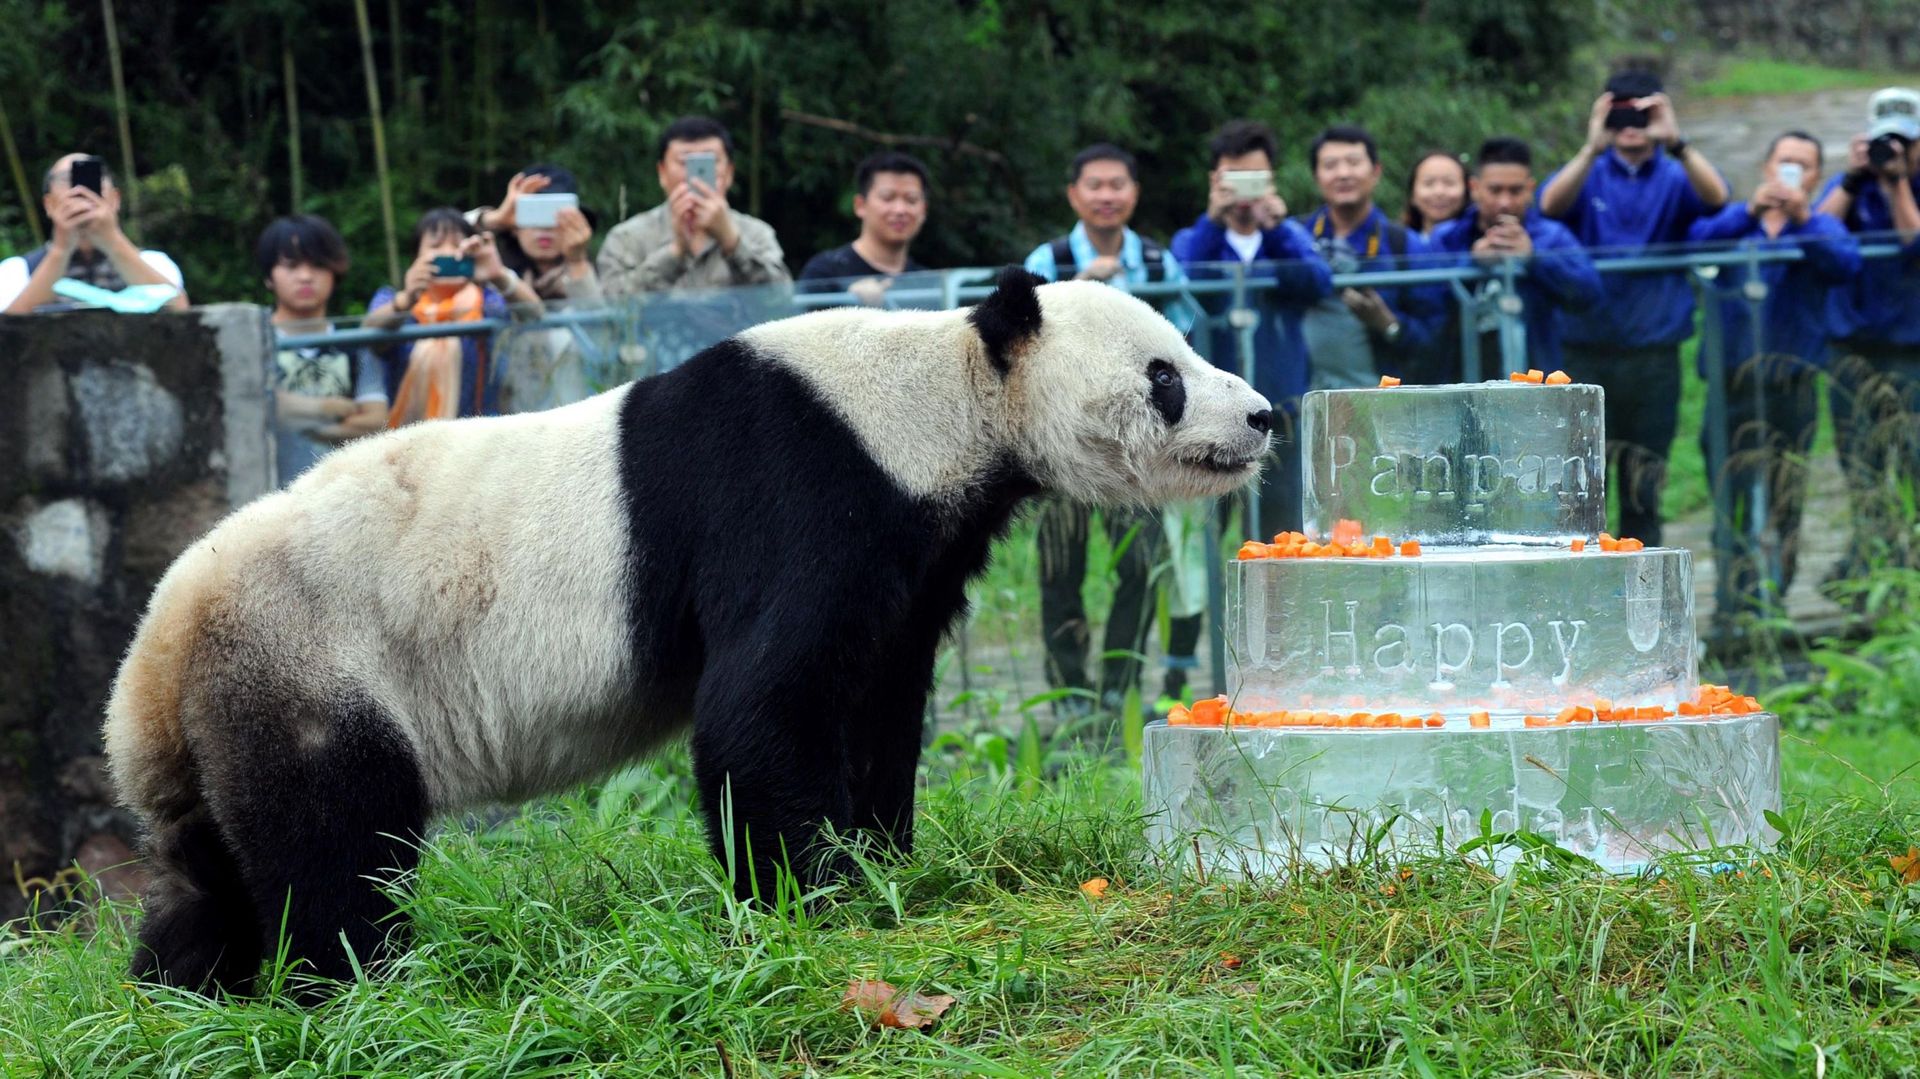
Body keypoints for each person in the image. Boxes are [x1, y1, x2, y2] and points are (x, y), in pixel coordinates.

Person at [1023, 143, 1197, 718]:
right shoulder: (1047, 259)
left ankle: (1119, 690)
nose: (1106, 195)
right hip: (1060, 440)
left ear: (1134, 193)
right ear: (1074, 194)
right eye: (1094, 185)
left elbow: (1188, 322)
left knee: (1141, 567)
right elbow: (1023, 338)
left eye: (1117, 184)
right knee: (1060, 570)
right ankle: (1070, 700)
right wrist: (1080, 285)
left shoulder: (1156, 258)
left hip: (1137, 440)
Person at [1539, 68, 1730, 545]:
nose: (1631, 121)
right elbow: (1549, 208)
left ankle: (1646, 602)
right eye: (1620, 109)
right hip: (1585, 352)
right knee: (1581, 488)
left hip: (1654, 352)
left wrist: (1676, 139)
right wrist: (1591, 146)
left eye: (1642, 111)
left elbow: (1718, 198)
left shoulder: (1673, 173)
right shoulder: (1589, 172)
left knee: (1644, 485)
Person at [1685, 131, 1860, 636]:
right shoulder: (1735, 225)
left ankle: (1775, 599)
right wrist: (1749, 212)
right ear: (1766, 166)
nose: (1791, 174)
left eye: (1803, 166)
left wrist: (1803, 218)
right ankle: (1729, 604)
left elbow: (1844, 263)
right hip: (1730, 385)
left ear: (1814, 176)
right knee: (1728, 496)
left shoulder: (1820, 226)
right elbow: (1693, 247)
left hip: (1792, 384)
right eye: (1784, 162)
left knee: (1787, 498)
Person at [1171, 119, 1332, 539]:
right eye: (1232, 177)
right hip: (1204, 413)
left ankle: (1278, 607)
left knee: (1282, 533)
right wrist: (1212, 219)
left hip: (1282, 410)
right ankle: (1201, 609)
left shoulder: (1289, 237)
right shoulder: (1194, 238)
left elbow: (1319, 284)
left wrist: (1276, 229)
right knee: (1201, 537)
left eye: (1253, 177)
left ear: (1271, 180)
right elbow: (1187, 295)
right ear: (1214, 179)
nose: (1243, 190)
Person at [1816, 87, 1920, 582]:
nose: (1893, 152)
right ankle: (1871, 568)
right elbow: (1814, 231)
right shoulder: (1852, 187)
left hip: (1913, 353)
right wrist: (1856, 178)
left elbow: (1913, 241)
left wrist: (1897, 183)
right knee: (1862, 468)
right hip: (1853, 350)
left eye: (1904, 142)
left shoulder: (1909, 187)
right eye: (1885, 142)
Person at [1429, 137, 1601, 377]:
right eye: (1495, 190)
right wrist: (1471, 263)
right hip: (1462, 379)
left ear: (1530, 189)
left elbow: (1590, 292)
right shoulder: (1447, 237)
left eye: (1515, 190)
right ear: (1475, 188)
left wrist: (1534, 259)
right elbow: (1427, 304)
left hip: (1535, 376)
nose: (1505, 202)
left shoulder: (1552, 236)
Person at [1299, 125, 1449, 388]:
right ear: (1316, 176)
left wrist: (1389, 324)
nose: (1343, 173)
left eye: (1354, 163)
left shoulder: (1404, 244)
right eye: (1331, 165)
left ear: (1375, 172)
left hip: (1379, 398)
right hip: (1300, 399)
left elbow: (1436, 338)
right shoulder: (1295, 238)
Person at [364, 207, 544, 425]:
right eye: (435, 245)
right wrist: (407, 299)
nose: (448, 253)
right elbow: (369, 334)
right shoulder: (393, 299)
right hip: (412, 439)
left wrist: (498, 275)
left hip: (479, 437)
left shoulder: (488, 300)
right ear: (416, 256)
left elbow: (536, 315)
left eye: (457, 244)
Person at [257, 214, 389, 486]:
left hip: (340, 494)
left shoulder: (355, 345)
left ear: (335, 271)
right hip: (265, 496)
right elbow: (257, 407)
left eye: (318, 265)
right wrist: (333, 408)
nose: (305, 276)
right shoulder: (252, 345)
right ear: (268, 276)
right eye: (291, 266)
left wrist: (300, 419)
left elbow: (376, 420)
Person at [596, 116, 790, 294]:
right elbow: (613, 310)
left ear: (729, 172)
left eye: (708, 162)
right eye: (684, 163)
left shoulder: (757, 234)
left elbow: (781, 302)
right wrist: (675, 252)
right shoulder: (627, 238)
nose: (695, 176)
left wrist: (732, 243)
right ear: (662, 173)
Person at [1, 153, 189, 314]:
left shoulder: (155, 262)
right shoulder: (17, 271)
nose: (79, 191)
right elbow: (7, 333)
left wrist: (112, 241)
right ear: (49, 204)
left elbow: (180, 313)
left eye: (91, 180)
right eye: (67, 179)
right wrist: (60, 251)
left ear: (115, 199)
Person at [798, 151, 933, 306]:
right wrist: (850, 304)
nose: (900, 210)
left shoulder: (929, 283)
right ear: (860, 205)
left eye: (911, 200)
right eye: (887, 198)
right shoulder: (825, 273)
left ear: (924, 210)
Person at [471, 163, 602, 302]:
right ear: (514, 227)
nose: (545, 227)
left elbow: (598, 319)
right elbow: (449, 240)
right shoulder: (489, 275)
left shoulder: (600, 275)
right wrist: (494, 219)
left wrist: (577, 261)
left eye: (556, 215)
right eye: (534, 213)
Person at [1403, 151, 1469, 237]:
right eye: (1428, 183)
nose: (1439, 192)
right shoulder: (1394, 243)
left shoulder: (1482, 244)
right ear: (1412, 193)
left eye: (1449, 182)